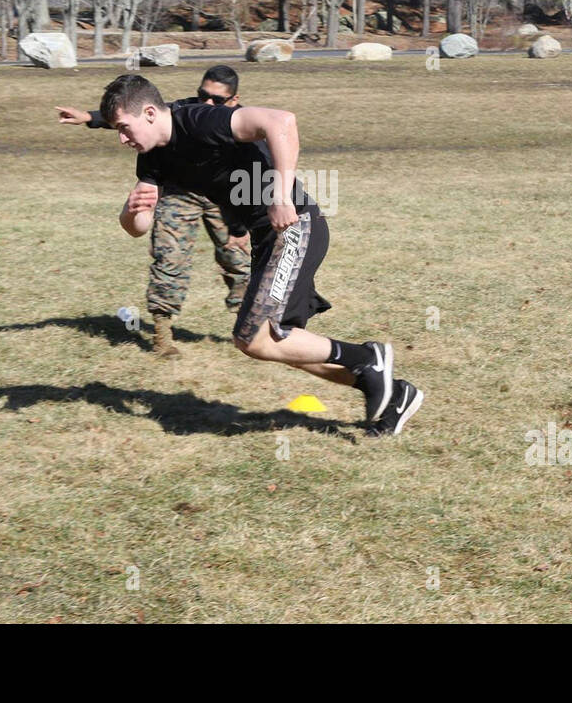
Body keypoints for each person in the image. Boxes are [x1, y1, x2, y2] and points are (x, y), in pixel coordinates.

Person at [95, 72, 425, 436]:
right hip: (266, 238)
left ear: (151, 114)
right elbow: (139, 226)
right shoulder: (152, 157)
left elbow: (281, 121)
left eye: (125, 127)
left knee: (253, 337)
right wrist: (129, 211)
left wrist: (281, 195)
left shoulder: (198, 120)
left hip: (293, 225)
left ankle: (368, 359)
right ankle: (395, 394)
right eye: (117, 131)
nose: (123, 139)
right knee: (280, 343)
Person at [55, 66, 250, 358]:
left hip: (223, 197)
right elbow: (137, 116)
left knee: (239, 260)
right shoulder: (184, 111)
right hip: (180, 194)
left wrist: (244, 222)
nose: (207, 104)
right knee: (169, 258)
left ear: (234, 100)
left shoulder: (238, 122)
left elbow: (255, 162)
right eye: (202, 95)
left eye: (217, 101)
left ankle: (248, 327)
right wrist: (90, 118)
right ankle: (162, 334)